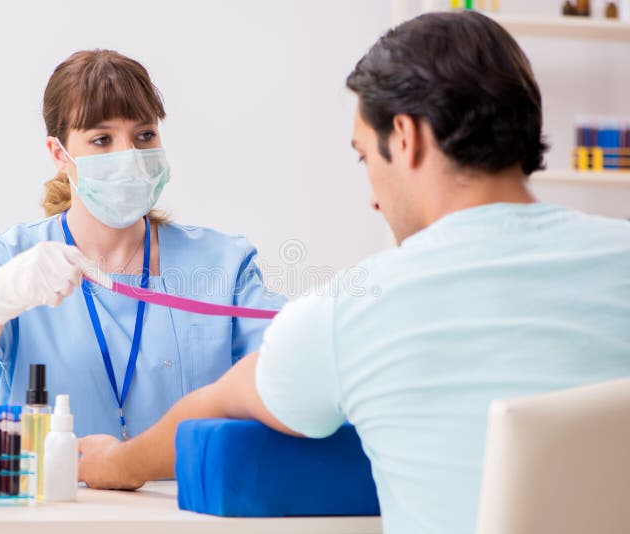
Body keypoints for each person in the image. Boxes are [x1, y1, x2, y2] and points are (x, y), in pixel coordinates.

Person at [75, 12, 630, 534]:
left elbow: (215, 403)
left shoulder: (353, 310)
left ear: (406, 138)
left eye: (366, 157)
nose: (372, 199)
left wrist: (118, 462)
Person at [0, 49, 286, 440]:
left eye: (144, 135)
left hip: (182, 499)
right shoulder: (10, 257)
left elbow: (286, 366)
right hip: (57, 497)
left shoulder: (224, 262)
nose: (129, 156)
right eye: (101, 139)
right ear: (58, 154)